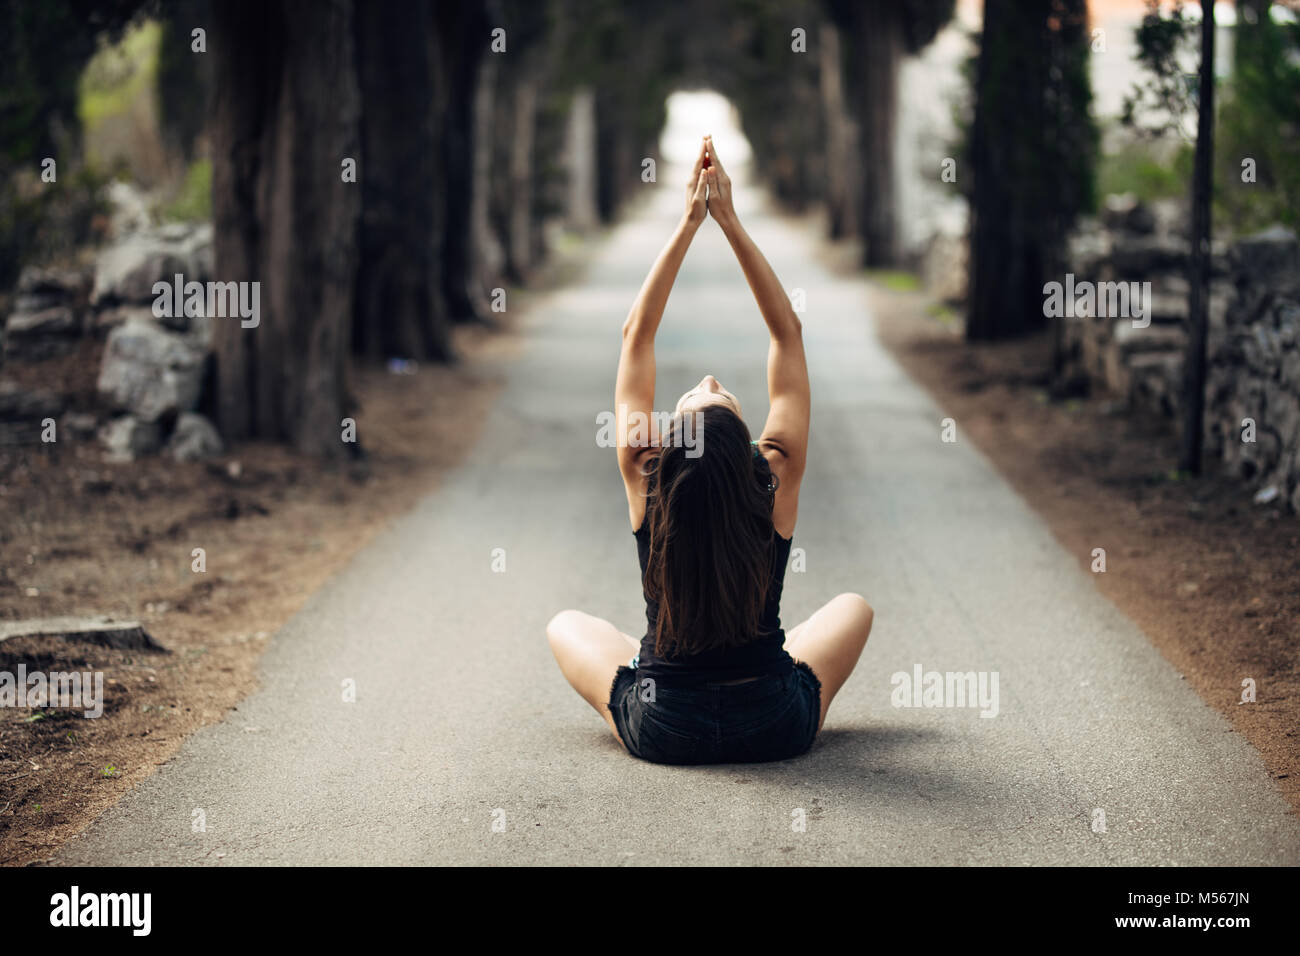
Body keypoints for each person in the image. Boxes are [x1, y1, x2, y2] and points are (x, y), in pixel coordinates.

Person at [548, 136, 873, 764]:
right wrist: (730, 220)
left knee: (567, 625)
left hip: (667, 725)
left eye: (704, 394)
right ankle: (741, 662)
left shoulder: (650, 478)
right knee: (852, 609)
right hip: (774, 719)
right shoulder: (771, 476)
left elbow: (636, 335)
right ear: (746, 448)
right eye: (714, 395)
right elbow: (787, 333)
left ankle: (646, 658)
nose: (711, 381)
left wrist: (688, 222)